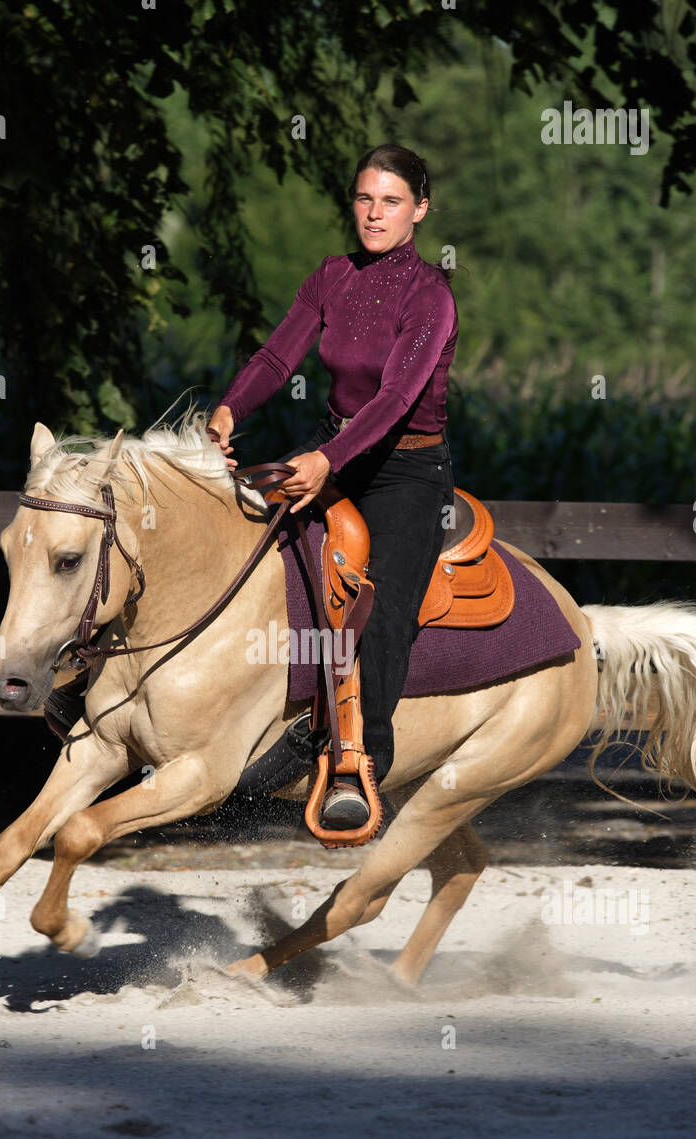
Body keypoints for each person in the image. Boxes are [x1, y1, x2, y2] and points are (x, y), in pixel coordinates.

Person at [208, 144, 458, 830]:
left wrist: (327, 457)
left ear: (420, 210)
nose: (374, 214)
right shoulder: (331, 276)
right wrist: (232, 408)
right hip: (336, 451)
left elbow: (397, 398)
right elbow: (274, 356)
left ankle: (358, 767)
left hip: (407, 470)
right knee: (241, 548)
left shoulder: (430, 293)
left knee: (381, 609)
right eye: (364, 199)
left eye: (392, 202)